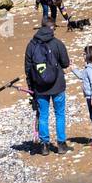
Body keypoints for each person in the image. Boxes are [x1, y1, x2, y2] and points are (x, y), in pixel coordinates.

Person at [25, 23, 70, 154]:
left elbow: (28, 69)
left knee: (43, 115)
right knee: (59, 114)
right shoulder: (57, 43)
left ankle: (45, 145)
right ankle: (61, 144)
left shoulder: (31, 45)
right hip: (58, 85)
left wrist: (31, 88)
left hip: (39, 87)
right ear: (51, 29)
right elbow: (65, 63)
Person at [71, 45, 92, 146]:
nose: (83, 55)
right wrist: (73, 69)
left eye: (84, 54)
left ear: (89, 56)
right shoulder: (91, 67)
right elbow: (82, 76)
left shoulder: (90, 69)